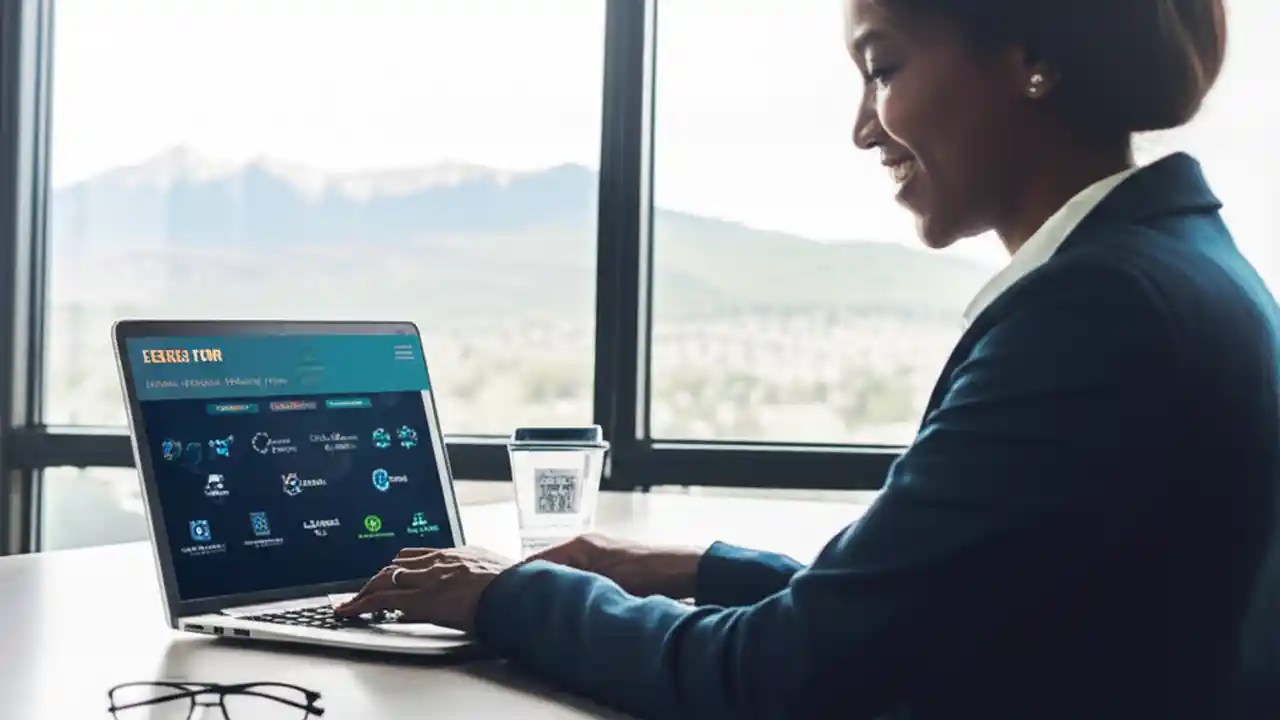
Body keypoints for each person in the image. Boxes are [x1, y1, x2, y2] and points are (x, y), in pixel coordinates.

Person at [338, 0, 1280, 716]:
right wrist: (692, 569)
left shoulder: (1097, 314)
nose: (864, 128)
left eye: (884, 69)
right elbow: (935, 600)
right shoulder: (1182, 269)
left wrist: (510, 594)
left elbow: (774, 679)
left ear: (1032, 57)